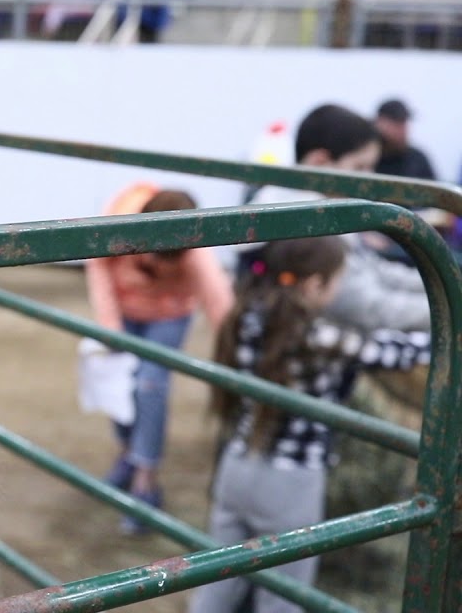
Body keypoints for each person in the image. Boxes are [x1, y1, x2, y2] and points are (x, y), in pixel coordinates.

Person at [187, 236, 430, 613]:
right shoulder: (320, 338)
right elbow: (396, 351)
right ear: (315, 285)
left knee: (218, 585)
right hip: (291, 482)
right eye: (337, 282)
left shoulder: (247, 314)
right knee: (283, 598)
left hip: (237, 465)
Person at [86, 182, 234, 534]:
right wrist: (110, 325)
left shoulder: (193, 248)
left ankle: (144, 482)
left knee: (150, 384)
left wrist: (236, 351)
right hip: (125, 313)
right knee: (117, 381)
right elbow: (98, 265)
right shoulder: (121, 221)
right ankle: (127, 453)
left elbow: (220, 302)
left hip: (169, 315)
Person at [236, 103, 431, 334]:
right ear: (320, 162)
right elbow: (365, 305)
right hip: (325, 341)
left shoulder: (317, 205)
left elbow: (371, 270)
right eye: (359, 167)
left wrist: (445, 281)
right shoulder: (308, 220)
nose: (369, 180)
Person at [372, 98, 436, 180]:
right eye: (396, 123)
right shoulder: (367, 157)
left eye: (404, 123)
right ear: (379, 123)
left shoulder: (418, 159)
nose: (403, 130)